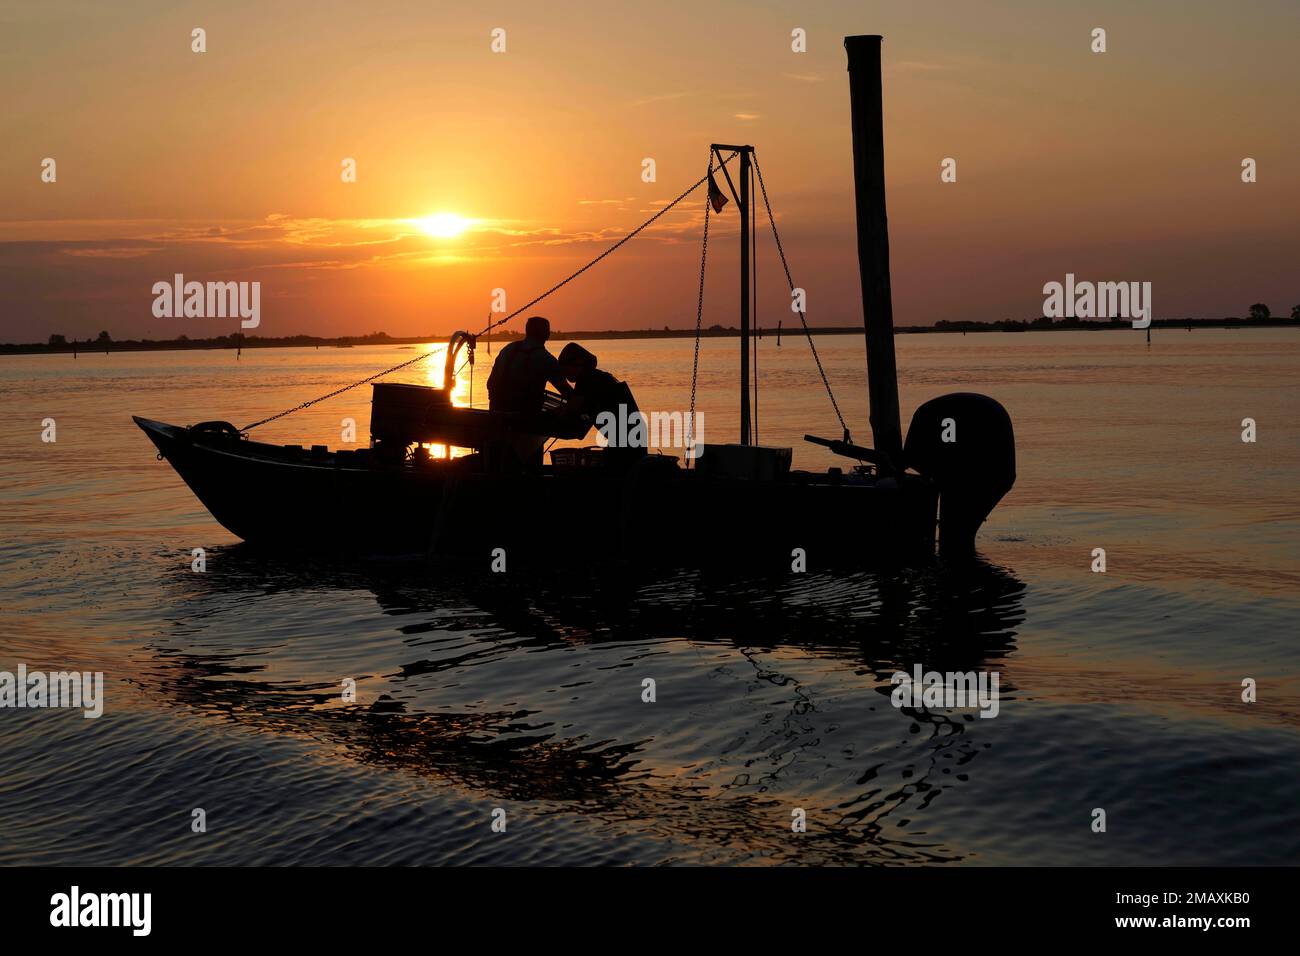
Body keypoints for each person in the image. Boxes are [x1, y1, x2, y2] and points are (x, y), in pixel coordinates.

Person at [486, 316, 572, 471]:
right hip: (527, 425)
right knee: (531, 469)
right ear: (547, 335)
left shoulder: (507, 350)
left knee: (499, 466)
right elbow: (566, 392)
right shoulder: (546, 359)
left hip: (497, 421)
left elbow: (490, 384)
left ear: (527, 331)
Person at [556, 343, 647, 470]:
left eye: (566, 369)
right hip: (632, 437)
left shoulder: (586, 380)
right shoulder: (599, 376)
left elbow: (571, 411)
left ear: (578, 365)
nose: (564, 374)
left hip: (627, 441)